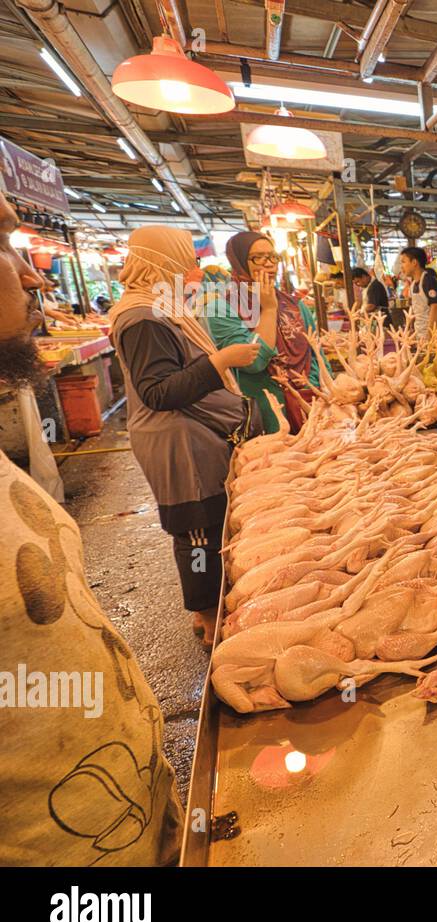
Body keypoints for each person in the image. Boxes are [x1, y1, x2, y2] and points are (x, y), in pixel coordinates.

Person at [0, 195, 184, 864]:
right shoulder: (140, 317)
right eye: (2, 241)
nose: (33, 275)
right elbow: (164, 390)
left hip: (124, 820)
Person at [109, 226, 262, 646]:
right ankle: (209, 618)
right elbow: (159, 392)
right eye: (188, 261)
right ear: (163, 263)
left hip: (194, 437)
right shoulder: (142, 318)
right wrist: (220, 362)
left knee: (209, 525)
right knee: (198, 533)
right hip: (179, 444)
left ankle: (206, 608)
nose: (194, 270)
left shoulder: (160, 308)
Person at [203, 232, 320, 434]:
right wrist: (268, 310)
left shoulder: (295, 305)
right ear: (238, 261)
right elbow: (254, 362)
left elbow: (316, 356)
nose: (269, 264)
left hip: (311, 407)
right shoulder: (221, 308)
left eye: (273, 257)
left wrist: (319, 394)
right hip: (267, 416)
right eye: (258, 257)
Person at [398, 245, 437, 357]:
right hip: (421, 334)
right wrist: (412, 333)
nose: (401, 267)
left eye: (403, 262)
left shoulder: (429, 280)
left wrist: (430, 336)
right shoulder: (413, 283)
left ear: (414, 262)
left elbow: (436, 307)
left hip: (434, 334)